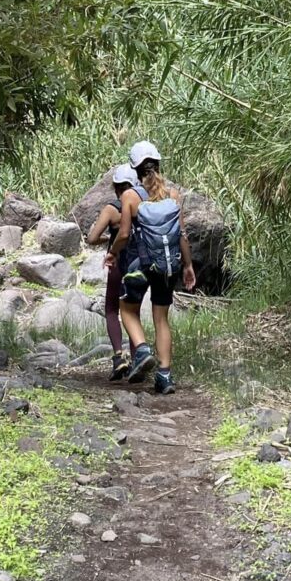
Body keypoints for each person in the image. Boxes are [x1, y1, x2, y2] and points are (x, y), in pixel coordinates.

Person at [106, 140, 196, 394]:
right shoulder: (173, 195)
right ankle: (165, 377)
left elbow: (123, 234)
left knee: (127, 309)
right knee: (162, 319)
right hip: (167, 266)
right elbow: (182, 234)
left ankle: (142, 349)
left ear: (134, 169)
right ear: (158, 164)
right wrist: (188, 266)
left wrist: (112, 254)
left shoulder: (130, 197)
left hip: (139, 266)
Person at [86, 162, 145, 382]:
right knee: (133, 312)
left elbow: (92, 238)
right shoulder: (141, 205)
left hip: (117, 263)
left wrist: (107, 240)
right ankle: (138, 358)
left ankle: (119, 356)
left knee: (112, 309)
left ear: (116, 186)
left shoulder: (112, 209)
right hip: (138, 264)